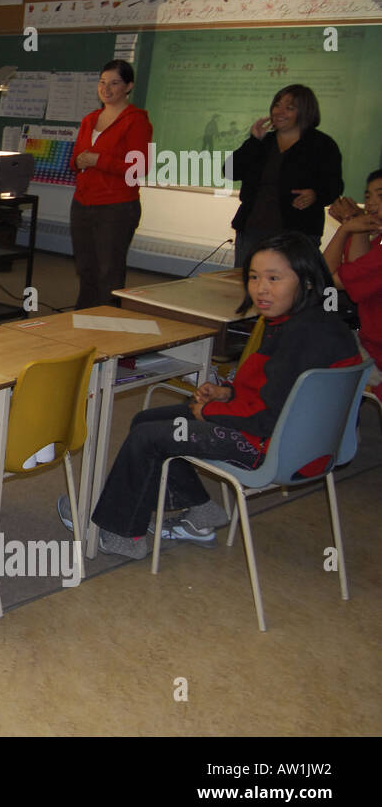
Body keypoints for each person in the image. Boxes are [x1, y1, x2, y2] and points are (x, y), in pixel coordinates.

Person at [74, 232, 361, 560]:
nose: (260, 288)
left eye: (273, 278)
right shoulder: (308, 321)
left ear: (307, 280)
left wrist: (209, 412)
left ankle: (122, 532)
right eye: (253, 277)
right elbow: (282, 390)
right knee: (147, 420)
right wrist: (228, 393)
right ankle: (200, 510)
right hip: (306, 440)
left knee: (151, 436)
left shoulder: (300, 335)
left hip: (274, 446)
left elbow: (269, 417)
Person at [68, 59, 153, 308]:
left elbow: (138, 168)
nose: (106, 89)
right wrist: (80, 162)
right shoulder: (90, 119)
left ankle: (108, 324)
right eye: (102, 83)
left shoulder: (136, 121)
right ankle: (81, 318)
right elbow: (76, 160)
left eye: (114, 83)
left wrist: (98, 160)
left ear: (128, 87)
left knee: (109, 272)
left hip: (116, 207)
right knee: (85, 267)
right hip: (83, 203)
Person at [230, 84, 343, 270]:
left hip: (297, 234)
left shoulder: (322, 145)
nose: (279, 112)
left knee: (292, 288)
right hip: (253, 230)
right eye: (277, 105)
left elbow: (334, 186)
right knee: (249, 286)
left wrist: (315, 195)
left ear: (306, 111)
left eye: (289, 108)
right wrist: (253, 141)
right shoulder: (263, 142)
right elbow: (230, 171)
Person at [323, 170, 382, 400]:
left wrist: (346, 229)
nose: (372, 204)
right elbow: (357, 268)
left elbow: (329, 280)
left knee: (315, 349)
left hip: (376, 352)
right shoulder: (378, 239)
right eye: (368, 197)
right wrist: (355, 223)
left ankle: (336, 432)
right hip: (371, 342)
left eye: (380, 196)